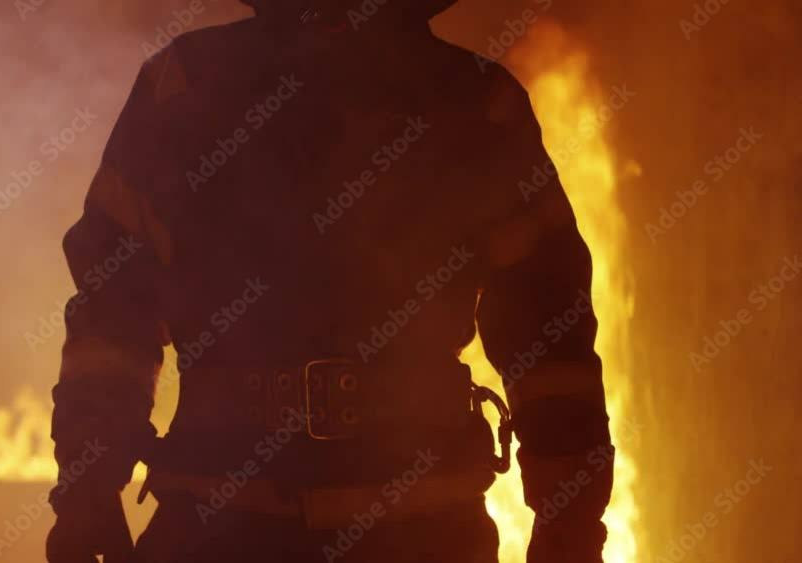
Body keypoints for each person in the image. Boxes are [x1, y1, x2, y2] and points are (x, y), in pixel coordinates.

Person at [46, 1, 614, 562]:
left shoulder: (480, 105)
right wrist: (86, 488)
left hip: (413, 531)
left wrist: (572, 515)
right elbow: (114, 301)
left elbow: (547, 322)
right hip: (230, 526)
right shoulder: (183, 88)